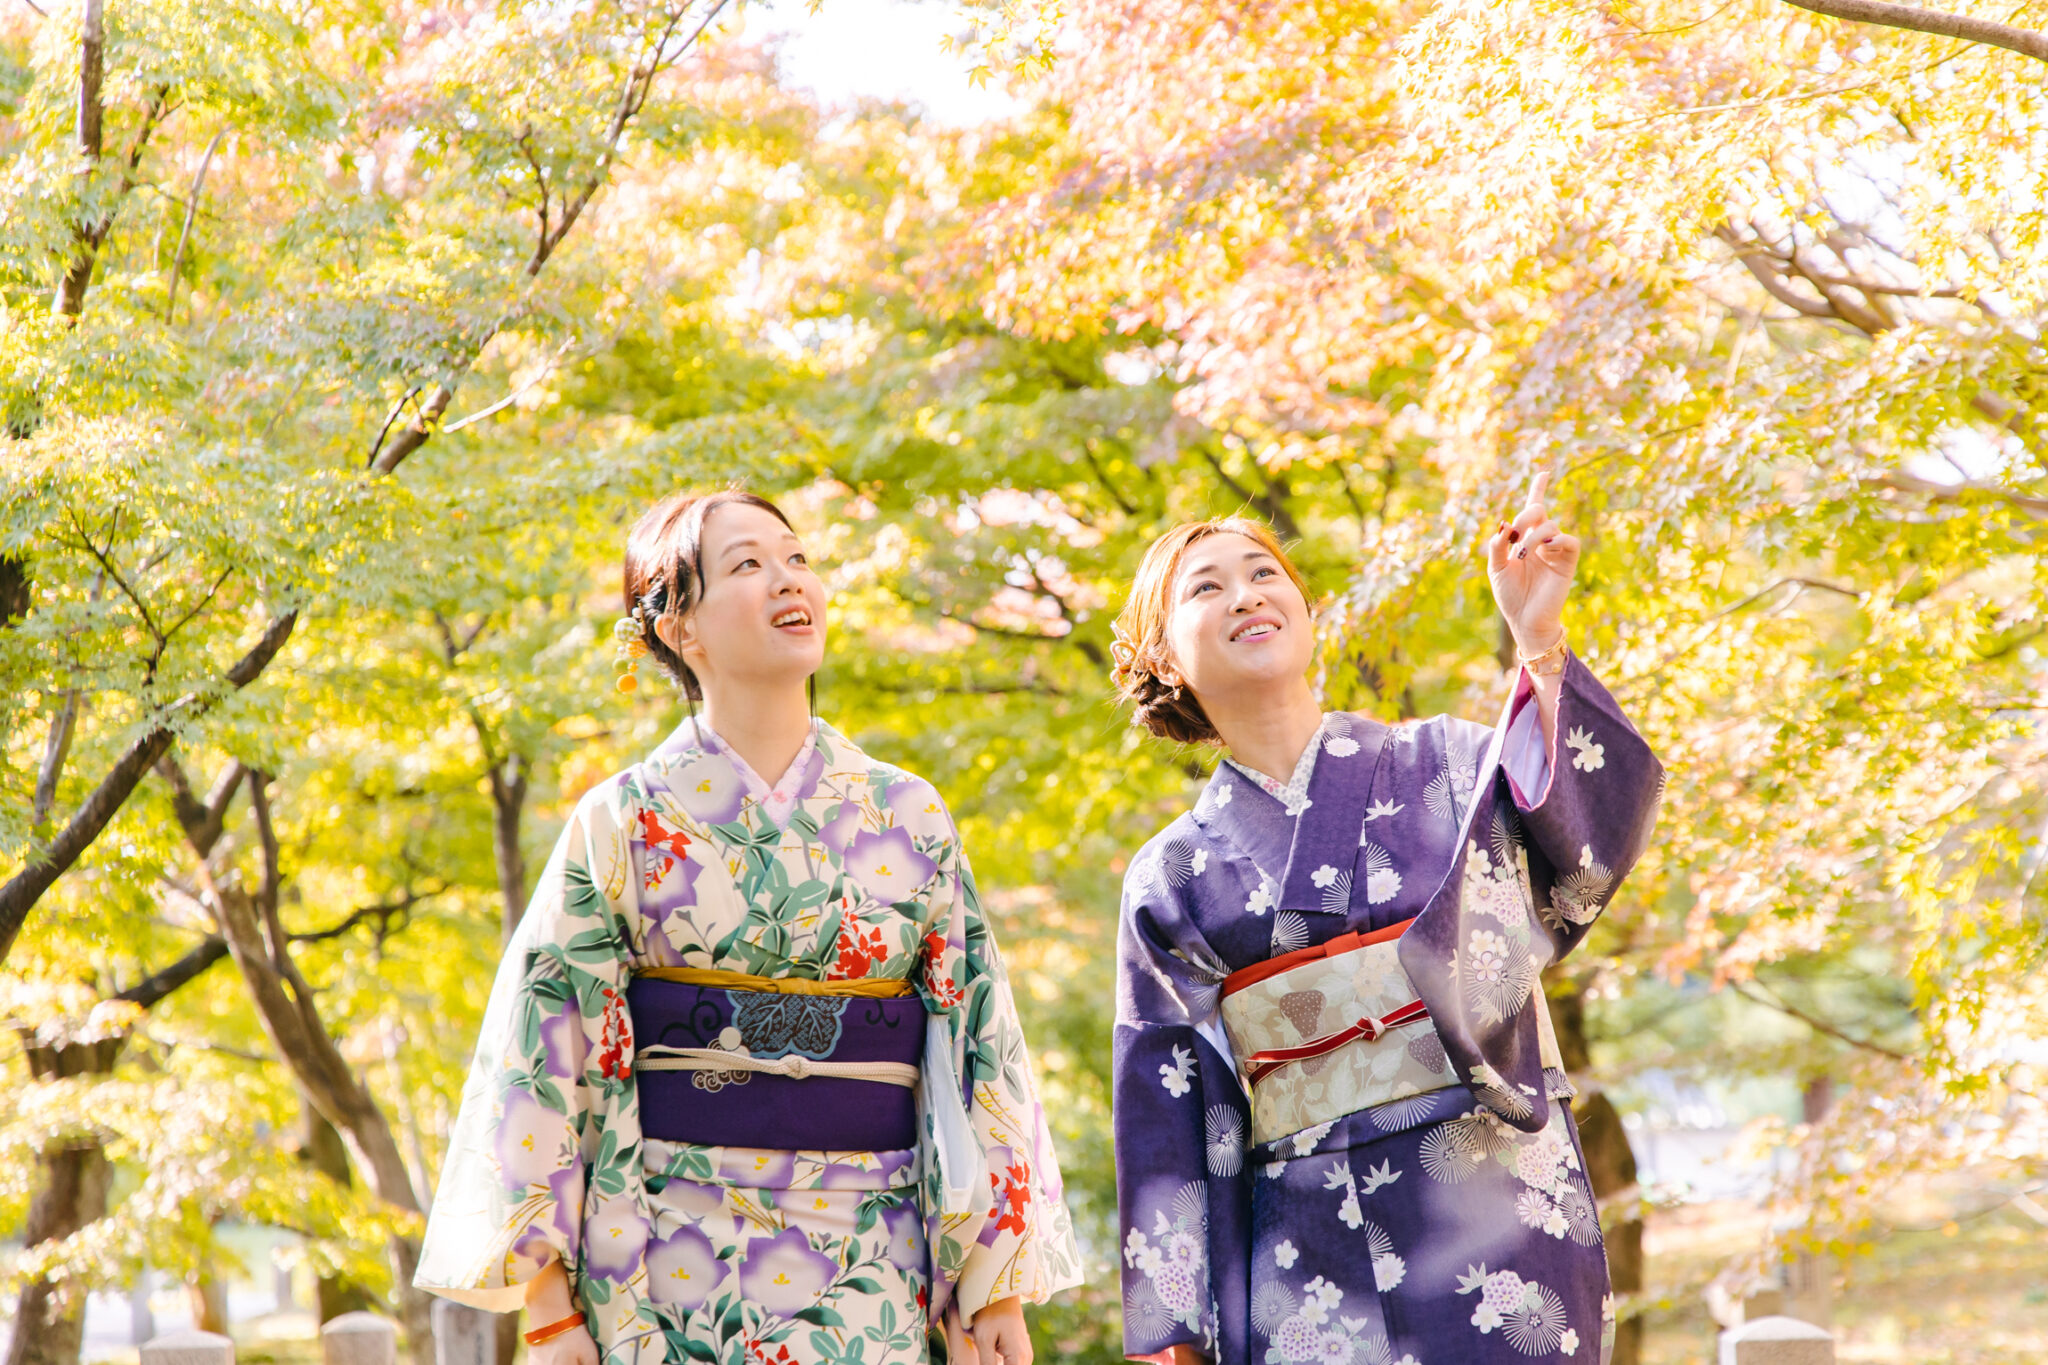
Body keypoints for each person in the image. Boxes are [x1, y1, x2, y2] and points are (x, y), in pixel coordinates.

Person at [417, 489, 1081, 1365]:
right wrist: (547, 1301)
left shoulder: (907, 813)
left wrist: (993, 1279)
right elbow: (542, 1050)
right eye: (747, 564)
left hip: (876, 1257)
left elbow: (977, 1043)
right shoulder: (621, 821)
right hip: (672, 1252)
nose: (787, 579)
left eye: (797, 557)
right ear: (679, 628)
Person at [1108, 475, 1662, 1365]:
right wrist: (1174, 1329)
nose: (1246, 593)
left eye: (1264, 573)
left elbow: (1586, 843)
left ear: (1304, 609)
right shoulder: (1171, 876)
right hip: (1302, 1241)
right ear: (1163, 657)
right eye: (1205, 588)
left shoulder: (1443, 760)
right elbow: (1166, 1115)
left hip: (1492, 1200)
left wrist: (1540, 641)